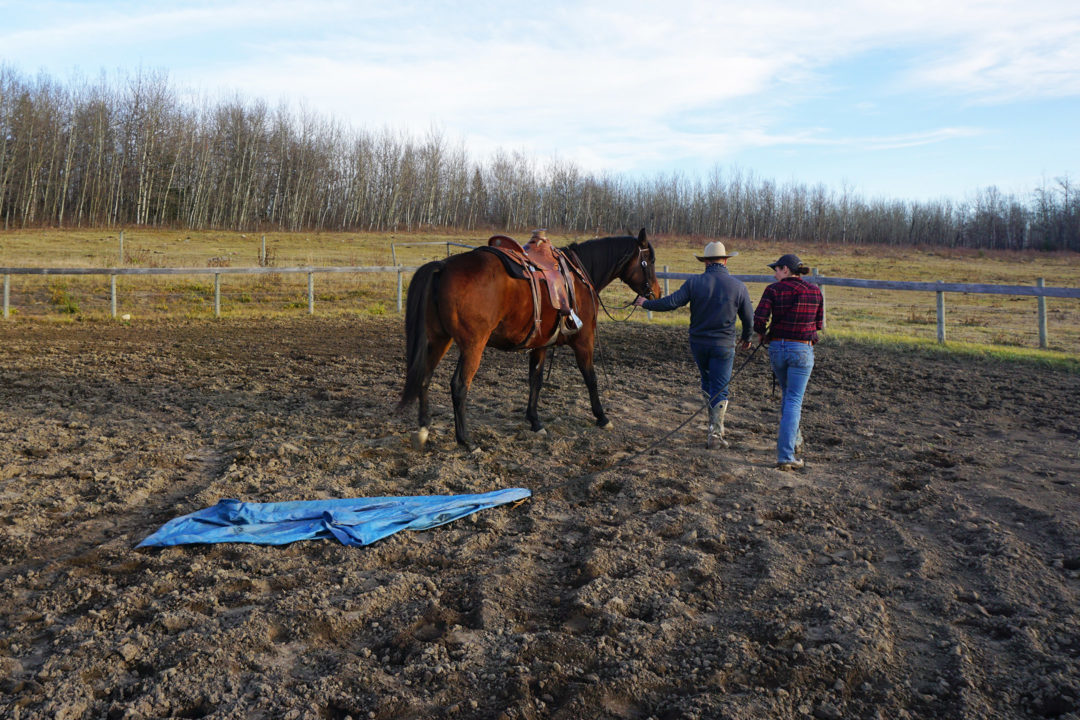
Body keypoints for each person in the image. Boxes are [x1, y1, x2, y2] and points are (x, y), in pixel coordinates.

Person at [634, 241, 753, 449]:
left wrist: (646, 303)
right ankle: (715, 434)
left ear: (705, 262)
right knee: (721, 387)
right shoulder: (738, 286)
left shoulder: (694, 283)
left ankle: (712, 428)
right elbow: (748, 317)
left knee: (707, 381)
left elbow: (670, 303)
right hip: (724, 345)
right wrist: (748, 336)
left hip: (698, 343)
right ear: (725, 260)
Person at [753, 253, 824, 470]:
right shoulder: (815, 291)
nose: (774, 273)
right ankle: (786, 455)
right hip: (802, 348)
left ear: (785, 269)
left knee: (788, 396)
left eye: (776, 269)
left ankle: (791, 444)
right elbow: (819, 324)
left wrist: (762, 333)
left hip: (777, 348)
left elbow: (759, 320)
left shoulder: (773, 291)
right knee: (793, 399)